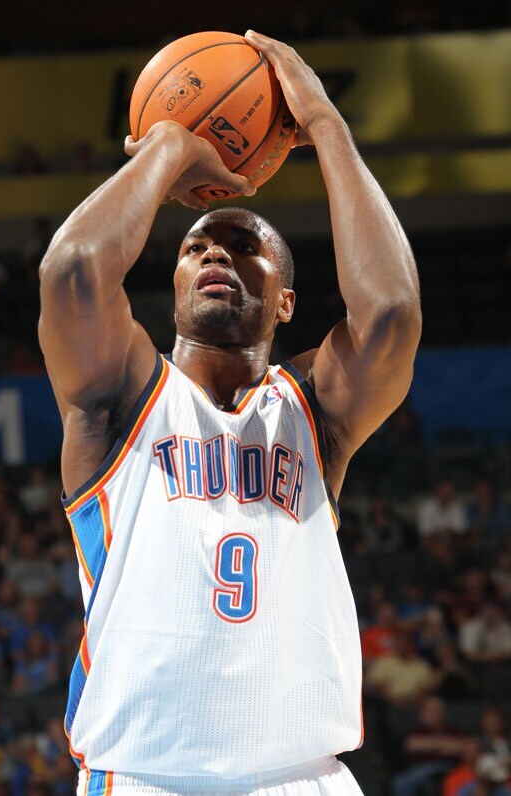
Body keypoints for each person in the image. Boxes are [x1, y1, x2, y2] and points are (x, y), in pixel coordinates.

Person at [38, 30, 421, 796]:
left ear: (285, 301)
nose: (215, 253)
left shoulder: (313, 410)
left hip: (302, 778)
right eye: (196, 248)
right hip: (145, 777)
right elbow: (74, 270)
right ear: (175, 285)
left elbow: (389, 315)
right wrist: (169, 146)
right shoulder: (122, 396)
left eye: (244, 244)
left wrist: (326, 125)